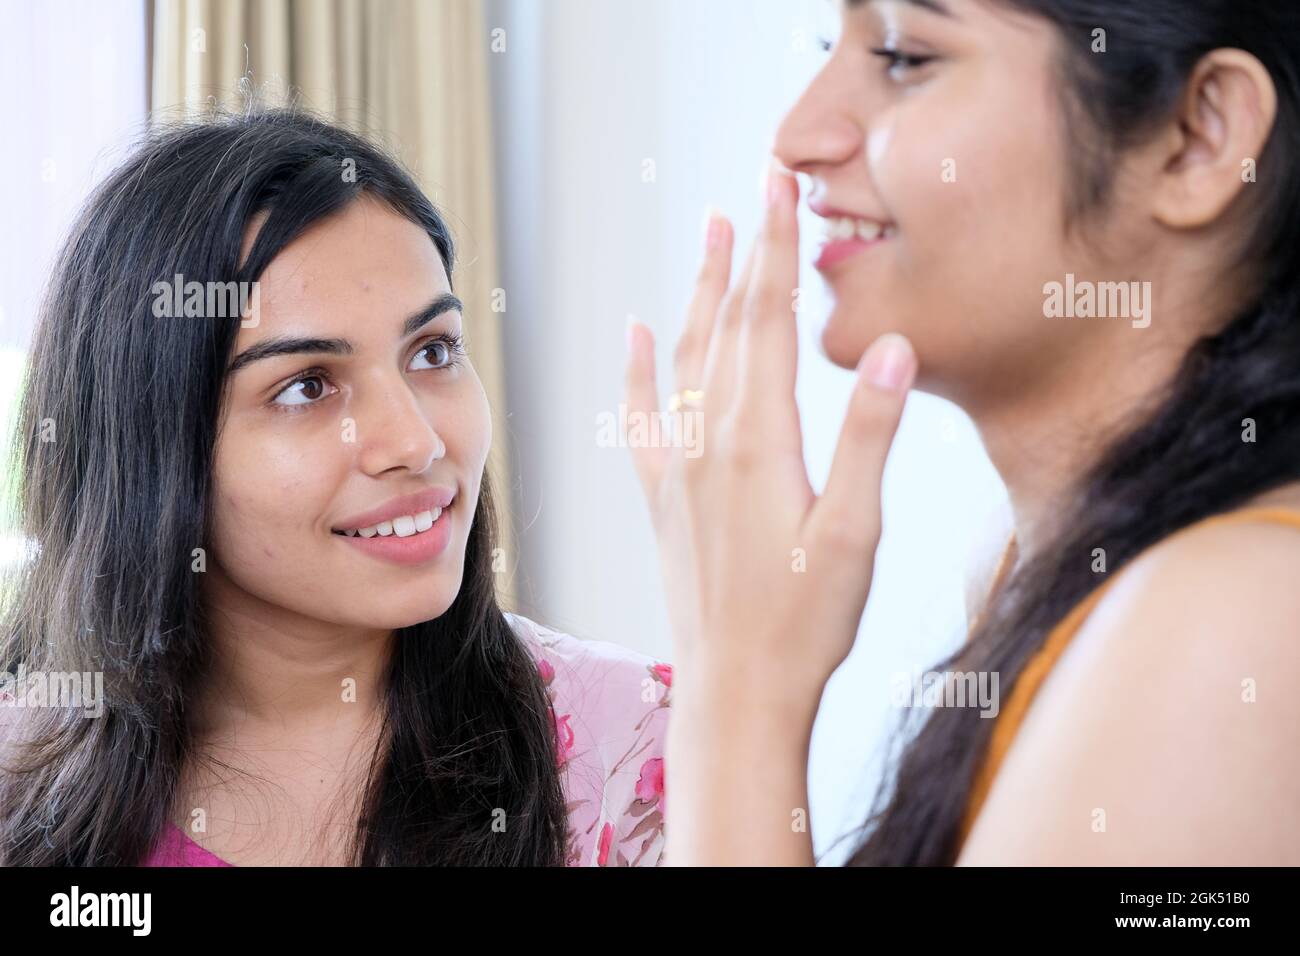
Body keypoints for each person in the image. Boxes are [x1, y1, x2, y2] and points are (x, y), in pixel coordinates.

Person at [625, 0, 1300, 865]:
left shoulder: (1230, 618)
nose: (797, 137)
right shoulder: (1041, 574)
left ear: (1197, 138)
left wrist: (738, 691)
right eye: (833, 45)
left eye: (905, 56)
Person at [0, 109, 668, 867]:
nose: (416, 441)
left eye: (433, 350)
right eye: (308, 386)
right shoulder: (21, 780)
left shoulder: (634, 755)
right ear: (149, 446)